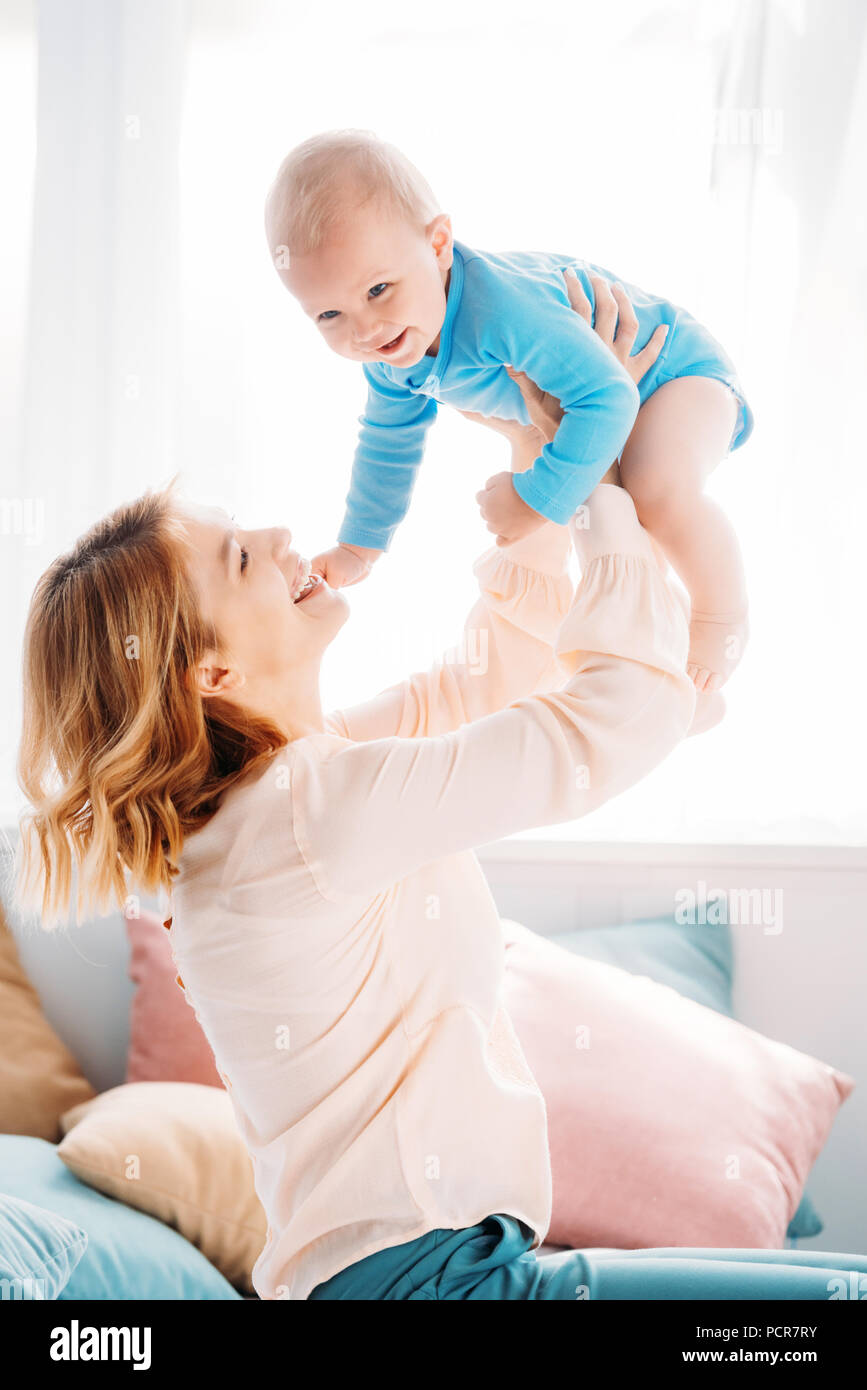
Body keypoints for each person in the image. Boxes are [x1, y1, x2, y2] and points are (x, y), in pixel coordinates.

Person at [17, 279, 859, 1304]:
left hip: (426, 1279)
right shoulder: (307, 814)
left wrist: (543, 472)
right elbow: (600, 730)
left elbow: (474, 689)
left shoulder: (285, 798)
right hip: (431, 1287)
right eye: (242, 556)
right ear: (209, 673)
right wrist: (606, 484)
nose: (285, 537)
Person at [265, 128, 753, 691]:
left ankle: (721, 618)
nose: (365, 330)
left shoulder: (501, 310)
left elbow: (608, 396)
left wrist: (534, 500)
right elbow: (387, 441)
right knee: (624, 539)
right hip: (606, 400)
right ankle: (655, 665)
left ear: (439, 244)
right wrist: (359, 545)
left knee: (654, 487)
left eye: (378, 289)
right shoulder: (390, 354)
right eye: (329, 315)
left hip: (673, 372)